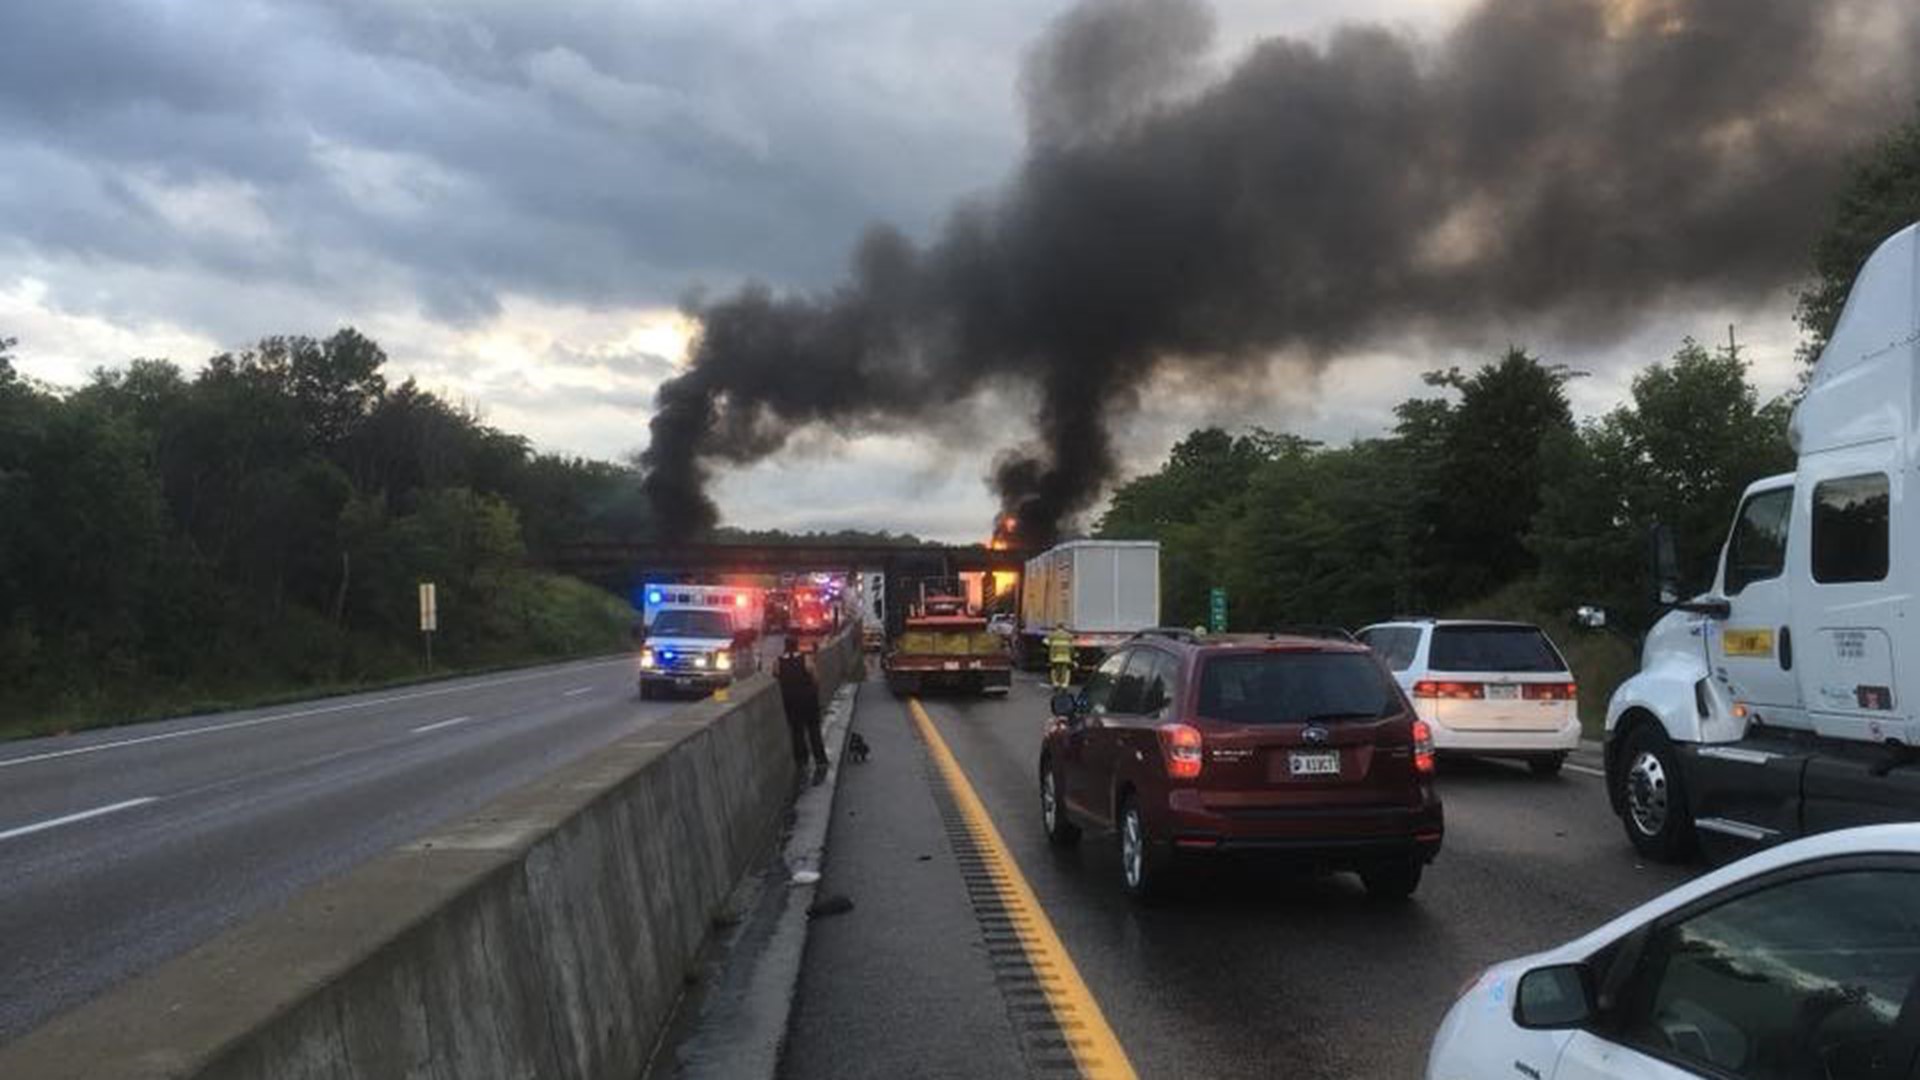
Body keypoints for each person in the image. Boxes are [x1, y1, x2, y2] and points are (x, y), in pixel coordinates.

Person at [776, 634, 829, 780]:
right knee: (814, 732)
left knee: (797, 733)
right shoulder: (806, 659)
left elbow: (775, 675)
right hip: (808, 702)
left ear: (785, 646)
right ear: (797, 645)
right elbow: (816, 679)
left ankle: (802, 762)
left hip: (791, 703)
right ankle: (821, 761)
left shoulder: (779, 662)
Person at [1046, 622, 1075, 690]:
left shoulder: (1052, 635)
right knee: (1065, 670)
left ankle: (1056, 683)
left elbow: (1047, 643)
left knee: (1054, 670)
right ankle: (1064, 684)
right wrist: (1072, 656)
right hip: (1065, 657)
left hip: (1055, 657)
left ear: (1057, 627)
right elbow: (1071, 647)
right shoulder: (1068, 636)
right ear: (1064, 627)